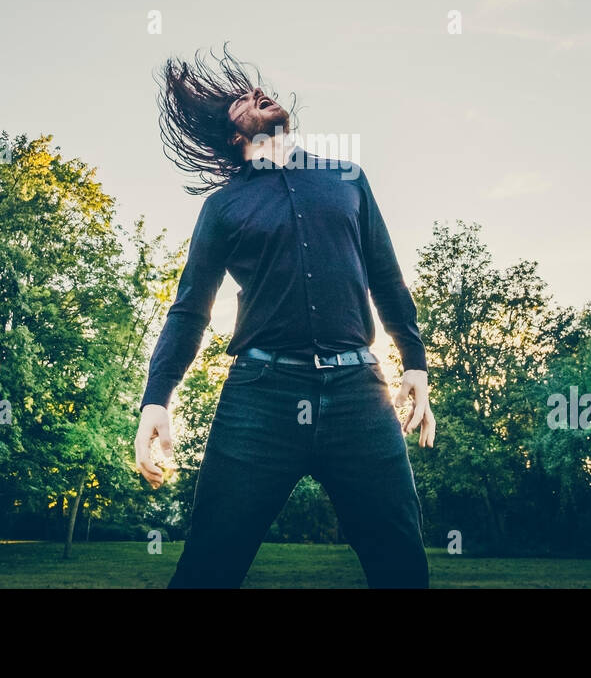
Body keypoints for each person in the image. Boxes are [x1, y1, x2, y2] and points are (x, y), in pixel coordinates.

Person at [134, 47, 435, 588]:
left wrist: (413, 361)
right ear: (234, 137)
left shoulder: (347, 177)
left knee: (403, 568)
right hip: (260, 398)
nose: (257, 95)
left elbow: (386, 277)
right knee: (207, 568)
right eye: (241, 103)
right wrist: (157, 397)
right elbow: (189, 309)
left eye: (256, 90)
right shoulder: (223, 208)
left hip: (359, 394)